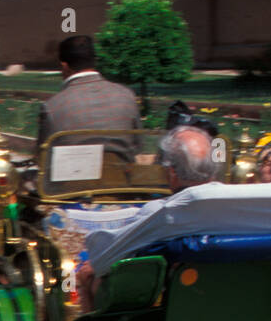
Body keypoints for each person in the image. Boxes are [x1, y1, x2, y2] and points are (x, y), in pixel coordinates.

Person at [74, 125, 223, 310]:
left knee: (89, 273)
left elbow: (103, 259)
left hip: (171, 305)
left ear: (172, 173)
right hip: (224, 296)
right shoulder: (238, 207)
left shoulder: (162, 212)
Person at [36, 35, 142, 169]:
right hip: (121, 185)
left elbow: (43, 158)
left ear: (64, 66)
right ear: (94, 61)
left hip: (73, 188)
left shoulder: (51, 106)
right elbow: (138, 146)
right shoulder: (127, 96)